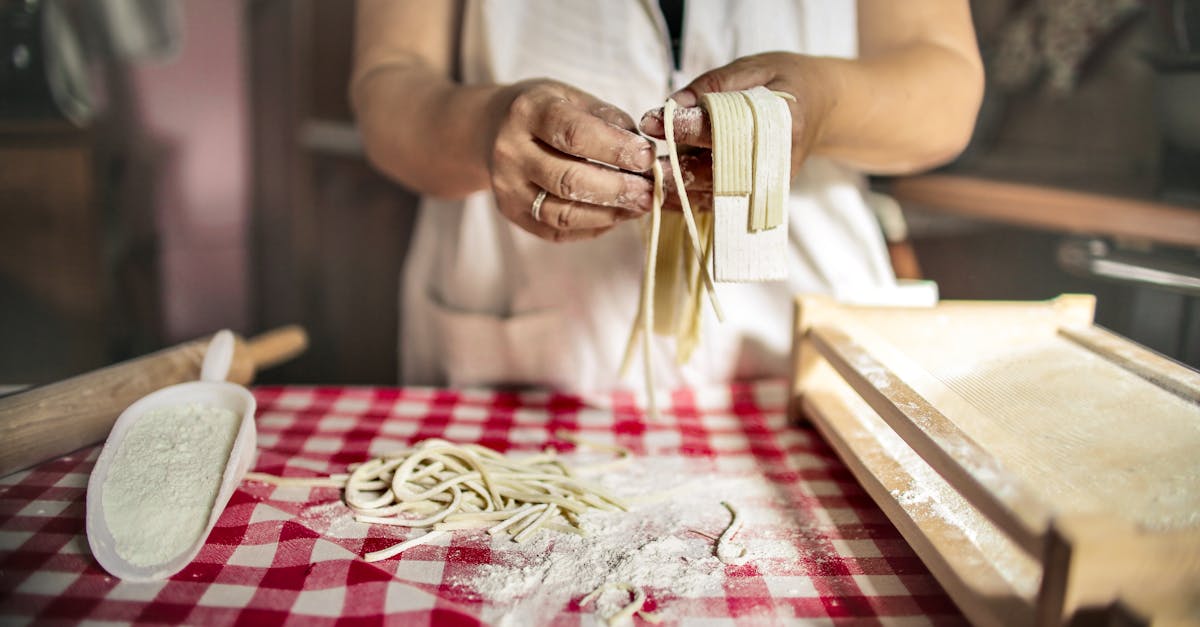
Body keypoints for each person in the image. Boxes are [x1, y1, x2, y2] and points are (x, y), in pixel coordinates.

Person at [351, 0, 983, 393]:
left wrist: (828, 99)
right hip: (525, 343)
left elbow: (946, 89)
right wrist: (485, 125)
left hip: (800, 357)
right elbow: (387, 84)